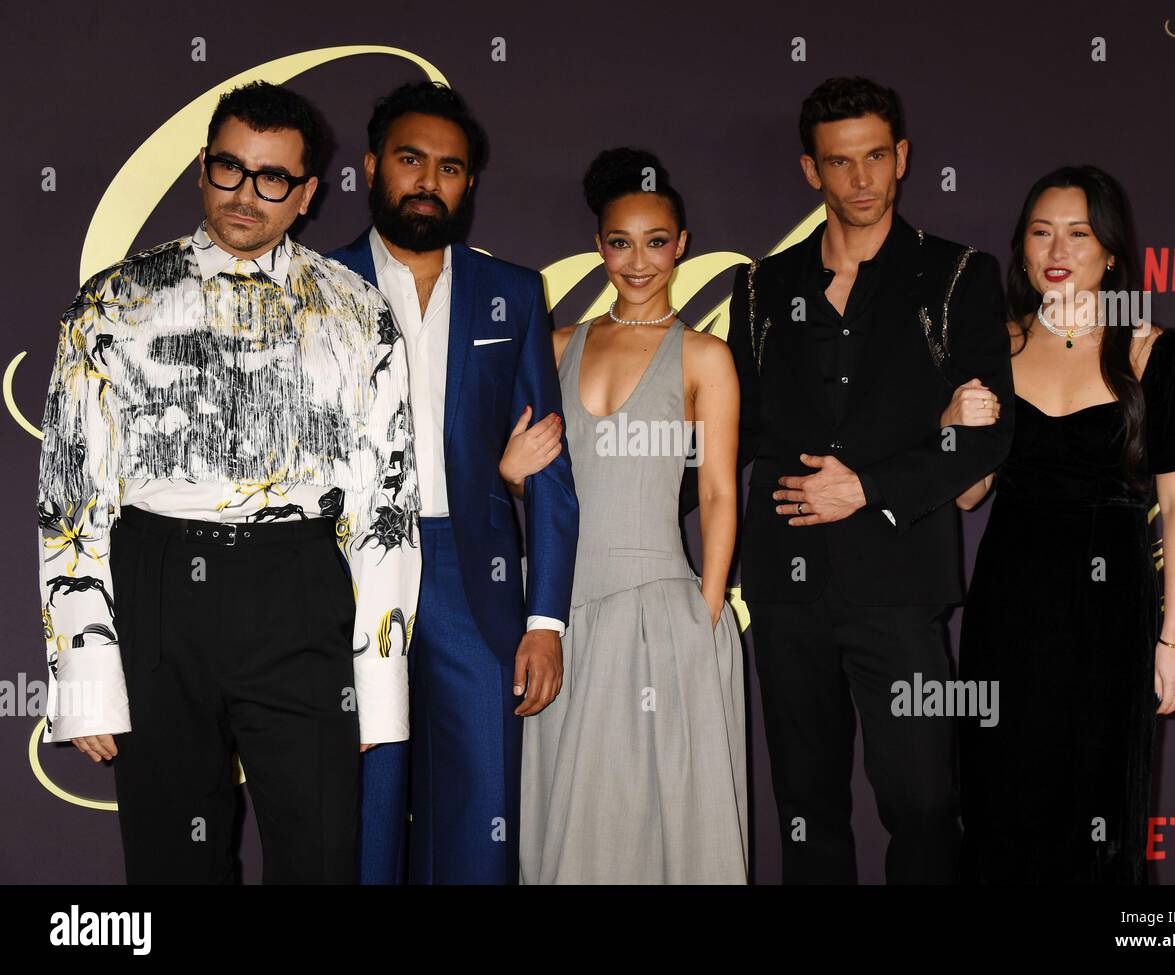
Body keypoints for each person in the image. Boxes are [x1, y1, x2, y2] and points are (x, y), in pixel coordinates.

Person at [35, 81, 421, 883]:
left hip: (301, 589)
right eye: (229, 168)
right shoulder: (113, 301)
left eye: (273, 177)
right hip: (159, 588)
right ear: (201, 168)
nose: (247, 195)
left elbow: (388, 501)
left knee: (321, 857)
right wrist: (83, 665)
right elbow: (71, 496)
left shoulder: (355, 310)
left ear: (309, 193)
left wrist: (377, 680)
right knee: (173, 863)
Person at [725, 76, 1014, 884]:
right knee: (807, 809)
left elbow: (989, 436)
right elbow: (726, 433)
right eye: (839, 162)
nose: (861, 179)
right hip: (785, 588)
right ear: (810, 171)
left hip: (901, 585)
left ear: (903, 159)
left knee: (924, 804)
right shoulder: (759, 287)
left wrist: (868, 487)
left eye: (876, 157)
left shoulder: (959, 276)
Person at [327, 80, 579, 885]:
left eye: (449, 167)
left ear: (468, 183)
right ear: (371, 167)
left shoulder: (512, 291)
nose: (429, 180)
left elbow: (548, 466)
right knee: (365, 804)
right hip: (346, 579)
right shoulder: (312, 284)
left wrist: (546, 619)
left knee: (481, 815)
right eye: (410, 160)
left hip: (476, 578)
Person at [954, 165, 1175, 884]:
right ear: (1020, 248)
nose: (1058, 248)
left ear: (1111, 251)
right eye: (1041, 231)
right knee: (1000, 794)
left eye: (1079, 232)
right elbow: (968, 496)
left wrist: (1174, 640)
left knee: (1098, 798)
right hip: (1009, 605)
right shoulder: (996, 347)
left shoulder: (1158, 354)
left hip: (1108, 611)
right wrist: (952, 425)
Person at [514, 147, 748, 883]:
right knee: (572, 829)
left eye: (655, 242)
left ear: (681, 245)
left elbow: (716, 491)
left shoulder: (705, 357)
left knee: (670, 829)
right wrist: (508, 474)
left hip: (663, 617)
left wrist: (706, 610)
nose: (638, 261)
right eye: (621, 242)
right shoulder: (552, 348)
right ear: (599, 247)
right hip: (560, 618)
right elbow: (534, 486)